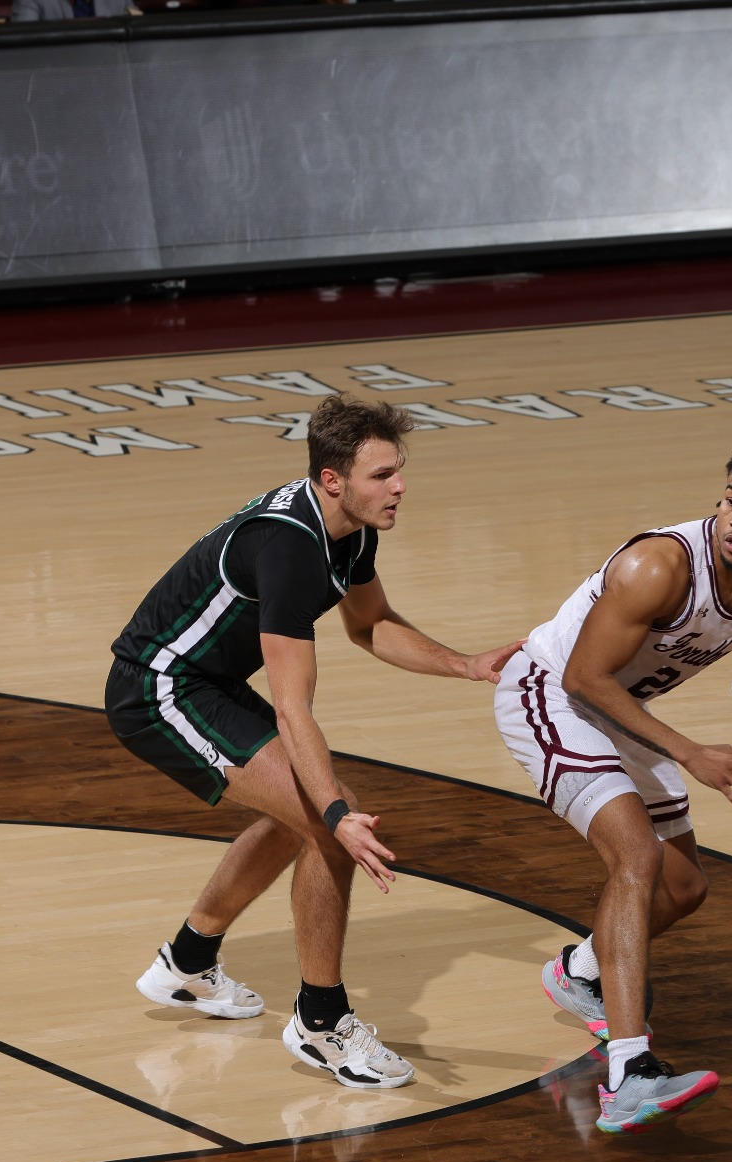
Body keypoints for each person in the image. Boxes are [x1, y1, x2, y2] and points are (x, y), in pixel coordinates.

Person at [107, 393, 520, 1089]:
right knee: (324, 818)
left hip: (208, 678)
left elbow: (371, 623)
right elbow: (294, 708)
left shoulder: (351, 531)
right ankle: (321, 1024)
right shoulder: (291, 548)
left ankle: (187, 962)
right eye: (382, 474)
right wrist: (336, 816)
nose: (399, 486)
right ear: (334, 480)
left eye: (397, 470)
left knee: (296, 810)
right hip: (159, 688)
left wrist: (465, 663)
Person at [495, 425, 732, 1132]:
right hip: (549, 692)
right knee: (636, 856)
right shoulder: (661, 565)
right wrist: (691, 752)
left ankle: (581, 971)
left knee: (683, 887)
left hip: (615, 708)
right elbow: (584, 674)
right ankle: (630, 1072)